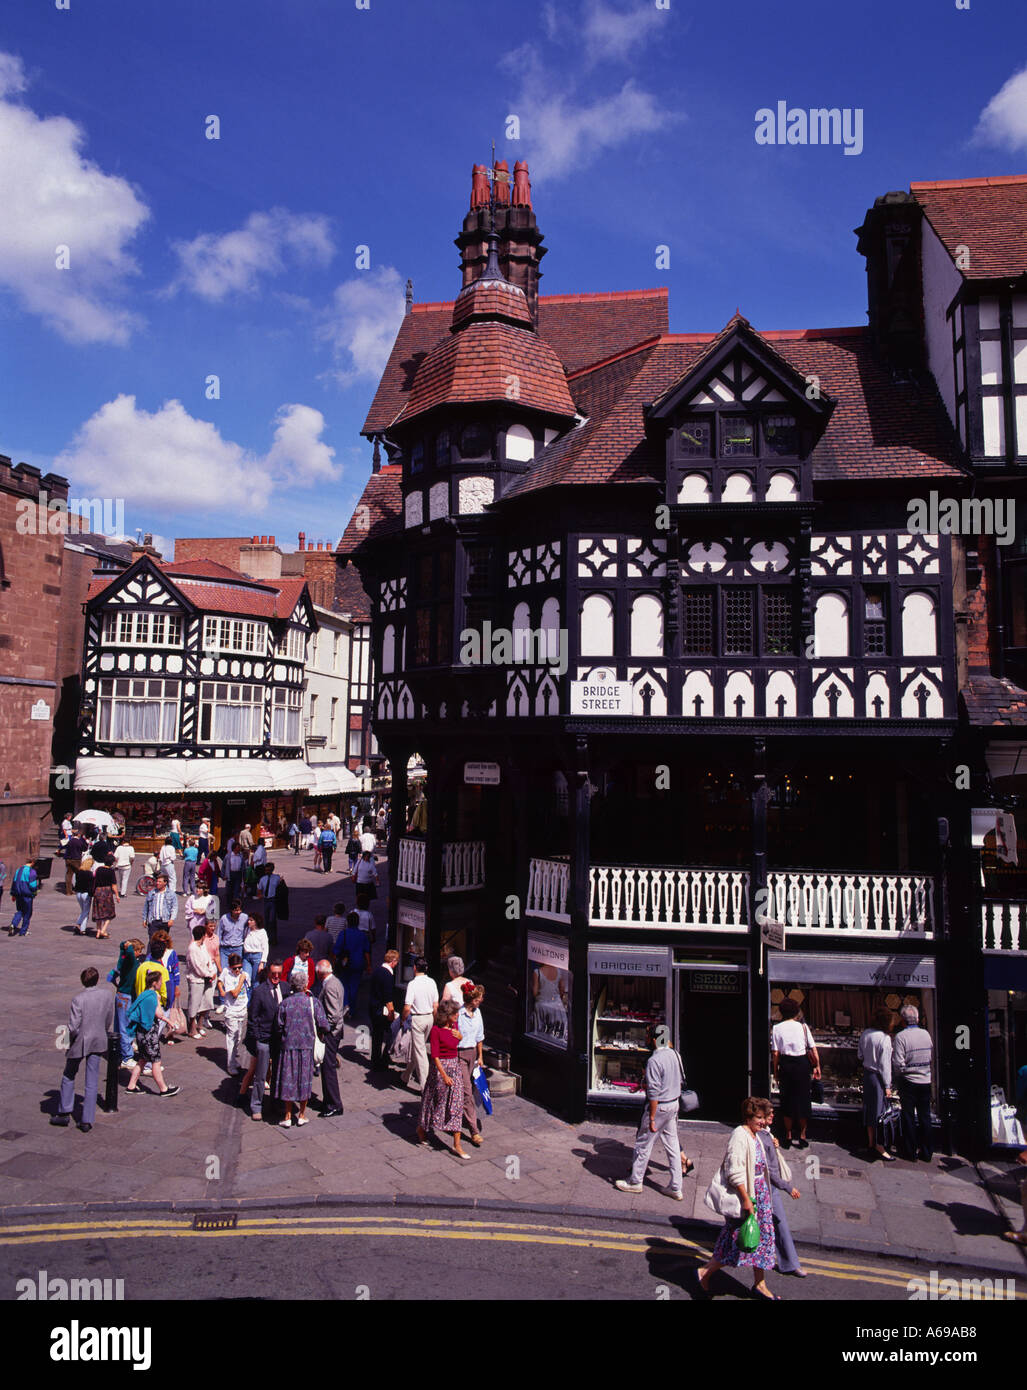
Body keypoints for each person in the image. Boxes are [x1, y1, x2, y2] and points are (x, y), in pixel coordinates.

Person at [697, 1098, 779, 1299]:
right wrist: (746, 1200)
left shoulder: (756, 1134)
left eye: (763, 1118)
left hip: (760, 1196)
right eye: (758, 1118)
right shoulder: (739, 1136)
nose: (763, 1122)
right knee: (739, 1242)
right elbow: (734, 1171)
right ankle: (704, 1272)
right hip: (748, 1197)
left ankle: (760, 1285)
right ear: (748, 1117)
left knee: (760, 1242)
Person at [615, 1026, 694, 1200]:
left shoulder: (654, 1061)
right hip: (674, 1105)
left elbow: (653, 1092)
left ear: (654, 1040)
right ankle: (675, 1187)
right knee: (673, 1146)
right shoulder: (675, 1055)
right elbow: (680, 1081)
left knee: (643, 1144)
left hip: (659, 1107)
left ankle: (635, 1182)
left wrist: (651, 1117)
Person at [50, 967, 116, 1132]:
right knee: (92, 1080)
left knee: (69, 1074)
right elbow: (109, 1017)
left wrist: (70, 1039)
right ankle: (87, 1119)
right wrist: (102, 1030)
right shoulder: (107, 995)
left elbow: (73, 1027)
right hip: (98, 1038)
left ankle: (64, 1111)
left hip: (80, 1040)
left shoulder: (78, 999)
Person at [756, 1100, 807, 1277]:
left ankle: (789, 1263)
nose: (772, 1115)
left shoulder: (765, 1134)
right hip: (765, 1188)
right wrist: (789, 1187)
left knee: (778, 1223)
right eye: (769, 1113)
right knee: (774, 1223)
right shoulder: (761, 1137)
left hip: (769, 1187)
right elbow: (771, 1171)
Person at [275, 965, 329, 1127]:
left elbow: (278, 1026)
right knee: (304, 1080)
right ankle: (302, 1114)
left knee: (288, 1079)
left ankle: (287, 1115)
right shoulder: (313, 1002)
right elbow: (324, 1024)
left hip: (288, 1047)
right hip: (306, 1046)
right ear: (306, 985)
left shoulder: (285, 1004)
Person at [415, 999, 468, 1158]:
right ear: (447, 1015)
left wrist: (460, 1037)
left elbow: (456, 1043)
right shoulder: (436, 1030)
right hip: (440, 1069)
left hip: (455, 1066)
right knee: (435, 1101)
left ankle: (457, 1145)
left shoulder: (455, 1027)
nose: (458, 1015)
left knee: (457, 1102)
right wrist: (444, 1075)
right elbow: (436, 1056)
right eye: (455, 1013)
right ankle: (422, 1128)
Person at [239, 961, 289, 1121]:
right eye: (273, 973)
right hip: (264, 1039)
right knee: (260, 1075)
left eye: (279, 974)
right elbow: (252, 1017)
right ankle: (256, 1106)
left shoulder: (286, 988)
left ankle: (276, 1104)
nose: (276, 977)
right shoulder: (260, 991)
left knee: (278, 1074)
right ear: (268, 973)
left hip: (280, 1040)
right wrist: (258, 1038)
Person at [771, 997, 820, 1149]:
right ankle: (803, 1135)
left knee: (787, 1100)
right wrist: (817, 1065)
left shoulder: (777, 1028)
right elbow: (813, 1048)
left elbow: (776, 1054)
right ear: (796, 1011)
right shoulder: (803, 1027)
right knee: (804, 1099)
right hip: (802, 1065)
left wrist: (776, 1071)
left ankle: (788, 1135)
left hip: (786, 1065)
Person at [124, 969, 180, 1097]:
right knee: (156, 1061)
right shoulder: (153, 996)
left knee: (142, 1060)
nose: (161, 983)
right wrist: (170, 1022)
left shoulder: (143, 994)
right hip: (149, 1034)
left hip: (140, 1033)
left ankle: (131, 1085)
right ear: (154, 983)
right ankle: (163, 1089)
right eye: (160, 981)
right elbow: (158, 1014)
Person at [892, 1005, 934, 1162]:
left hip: (909, 1081)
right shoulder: (926, 1034)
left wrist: (899, 1076)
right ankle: (927, 1152)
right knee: (925, 1116)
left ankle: (910, 1152)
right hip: (925, 1081)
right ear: (917, 1019)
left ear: (903, 1021)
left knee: (908, 1116)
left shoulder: (901, 1037)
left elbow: (898, 1063)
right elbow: (930, 1056)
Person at [858, 1007, 896, 1161]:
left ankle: (870, 1143)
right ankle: (879, 1147)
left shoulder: (866, 1034)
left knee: (869, 1111)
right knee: (879, 1113)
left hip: (867, 1076)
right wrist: (887, 1085)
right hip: (878, 1078)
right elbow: (885, 1065)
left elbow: (859, 1055)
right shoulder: (884, 1039)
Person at [402, 956, 439, 1093]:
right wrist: (435, 1020)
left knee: (420, 1052)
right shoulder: (432, 982)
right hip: (429, 1017)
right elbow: (436, 1005)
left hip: (417, 1019)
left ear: (415, 968)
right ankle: (405, 1076)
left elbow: (407, 1007)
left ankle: (426, 1086)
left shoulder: (413, 984)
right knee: (418, 1049)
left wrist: (403, 1019)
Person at [314, 958, 346, 1117]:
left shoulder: (330, 987)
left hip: (331, 1034)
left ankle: (334, 1104)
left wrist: (323, 1030)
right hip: (334, 1031)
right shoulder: (336, 982)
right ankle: (329, 1101)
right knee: (327, 1067)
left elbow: (333, 1015)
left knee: (328, 1068)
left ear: (320, 973)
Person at [456, 983, 486, 1146]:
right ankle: (474, 1131)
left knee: (468, 1090)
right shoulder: (459, 1015)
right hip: (460, 1054)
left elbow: (479, 1037)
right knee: (467, 1092)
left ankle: (451, 1113)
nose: (481, 1000)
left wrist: (480, 1056)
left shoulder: (478, 1013)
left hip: (472, 1054)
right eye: (478, 998)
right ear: (470, 999)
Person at [109, 937, 144, 1066]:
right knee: (126, 1027)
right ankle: (127, 1057)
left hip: (121, 995)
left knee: (120, 1026)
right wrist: (128, 946)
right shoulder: (130, 960)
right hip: (126, 997)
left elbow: (121, 947)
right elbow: (126, 949)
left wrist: (125, 946)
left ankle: (119, 1050)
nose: (140, 954)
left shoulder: (123, 959)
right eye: (138, 951)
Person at [218, 953, 251, 1075]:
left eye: (239, 967)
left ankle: (234, 1060)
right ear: (230, 967)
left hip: (243, 1010)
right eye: (235, 968)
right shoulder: (229, 975)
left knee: (239, 1037)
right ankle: (230, 1065)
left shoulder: (244, 974)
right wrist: (241, 981)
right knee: (231, 1037)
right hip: (231, 1011)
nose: (237, 970)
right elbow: (235, 993)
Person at [185, 923, 218, 1039]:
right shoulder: (192, 948)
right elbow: (197, 966)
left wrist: (211, 972)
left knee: (207, 1001)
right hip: (196, 979)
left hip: (207, 978)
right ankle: (192, 1028)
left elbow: (208, 959)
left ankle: (200, 1024)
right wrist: (208, 974)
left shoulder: (202, 946)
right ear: (202, 935)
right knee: (194, 1003)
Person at [335, 911, 371, 1017]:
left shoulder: (343, 934)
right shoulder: (362, 935)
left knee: (344, 985)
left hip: (345, 964)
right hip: (358, 963)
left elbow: (336, 950)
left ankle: (345, 1004)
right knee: (354, 986)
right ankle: (352, 1008)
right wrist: (369, 965)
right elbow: (366, 952)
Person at [369, 949, 400, 1072]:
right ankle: (384, 1058)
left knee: (377, 1035)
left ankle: (376, 1059)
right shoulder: (388, 975)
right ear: (393, 961)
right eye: (397, 962)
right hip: (382, 1010)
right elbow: (388, 998)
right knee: (392, 1031)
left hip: (373, 1007)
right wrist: (392, 1013)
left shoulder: (377, 971)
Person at [8, 856, 40, 936]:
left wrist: (13, 894)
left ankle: (13, 924)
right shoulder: (31, 871)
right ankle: (23, 931)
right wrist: (35, 892)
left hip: (18, 894)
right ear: (33, 862)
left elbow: (14, 882)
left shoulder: (19, 870)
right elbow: (32, 885)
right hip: (27, 895)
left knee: (19, 910)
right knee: (27, 913)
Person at [91, 854, 119, 940]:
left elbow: (94, 879)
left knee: (98, 912)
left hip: (98, 891)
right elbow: (114, 885)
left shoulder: (99, 869)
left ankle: (98, 931)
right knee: (110, 912)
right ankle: (103, 929)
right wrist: (117, 895)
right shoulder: (111, 871)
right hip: (107, 892)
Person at [255, 863, 285, 942]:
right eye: (266, 870)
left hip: (273, 900)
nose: (267, 871)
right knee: (266, 920)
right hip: (266, 900)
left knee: (272, 920)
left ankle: (273, 938)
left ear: (272, 870)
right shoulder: (263, 879)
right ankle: (267, 937)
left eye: (269, 870)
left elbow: (281, 888)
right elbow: (259, 889)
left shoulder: (276, 878)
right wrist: (260, 895)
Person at [218, 901, 247, 971]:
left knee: (237, 971)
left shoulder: (245, 918)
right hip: (225, 949)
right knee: (223, 971)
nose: (239, 912)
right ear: (231, 910)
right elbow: (219, 934)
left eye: (240, 910)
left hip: (238, 948)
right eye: (236, 910)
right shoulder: (224, 918)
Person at [242, 915, 269, 985]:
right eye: (248, 920)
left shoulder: (262, 932)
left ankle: (254, 995)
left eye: (251, 920)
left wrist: (262, 963)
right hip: (247, 957)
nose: (248, 922)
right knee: (245, 979)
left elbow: (265, 948)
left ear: (256, 922)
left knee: (255, 981)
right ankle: (247, 995)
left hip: (257, 957)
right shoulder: (247, 930)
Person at [72, 856, 95, 935]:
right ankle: (81, 926)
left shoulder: (78, 872)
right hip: (86, 893)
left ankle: (80, 926)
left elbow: (74, 882)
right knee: (86, 911)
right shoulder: (90, 874)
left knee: (83, 911)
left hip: (78, 893)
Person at [63, 829, 87, 896]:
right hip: (76, 859)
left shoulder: (70, 841)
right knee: (79, 874)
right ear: (78, 835)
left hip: (68, 859)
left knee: (69, 875)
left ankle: (68, 891)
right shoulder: (79, 842)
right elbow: (85, 848)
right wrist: (84, 840)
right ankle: (79, 889)